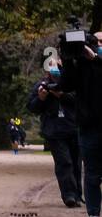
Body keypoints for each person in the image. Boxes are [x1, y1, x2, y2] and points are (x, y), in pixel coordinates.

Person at [57, 31, 102, 217]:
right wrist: (67, 60)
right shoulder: (81, 66)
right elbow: (66, 85)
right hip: (88, 127)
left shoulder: (96, 62)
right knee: (91, 174)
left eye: (99, 41)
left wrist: (96, 59)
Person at [28, 67, 81, 207]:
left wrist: (62, 95)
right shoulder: (41, 86)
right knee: (64, 162)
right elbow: (31, 107)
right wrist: (41, 98)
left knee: (76, 163)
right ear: (47, 72)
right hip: (54, 132)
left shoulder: (72, 83)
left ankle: (77, 195)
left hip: (73, 128)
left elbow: (81, 102)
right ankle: (69, 195)